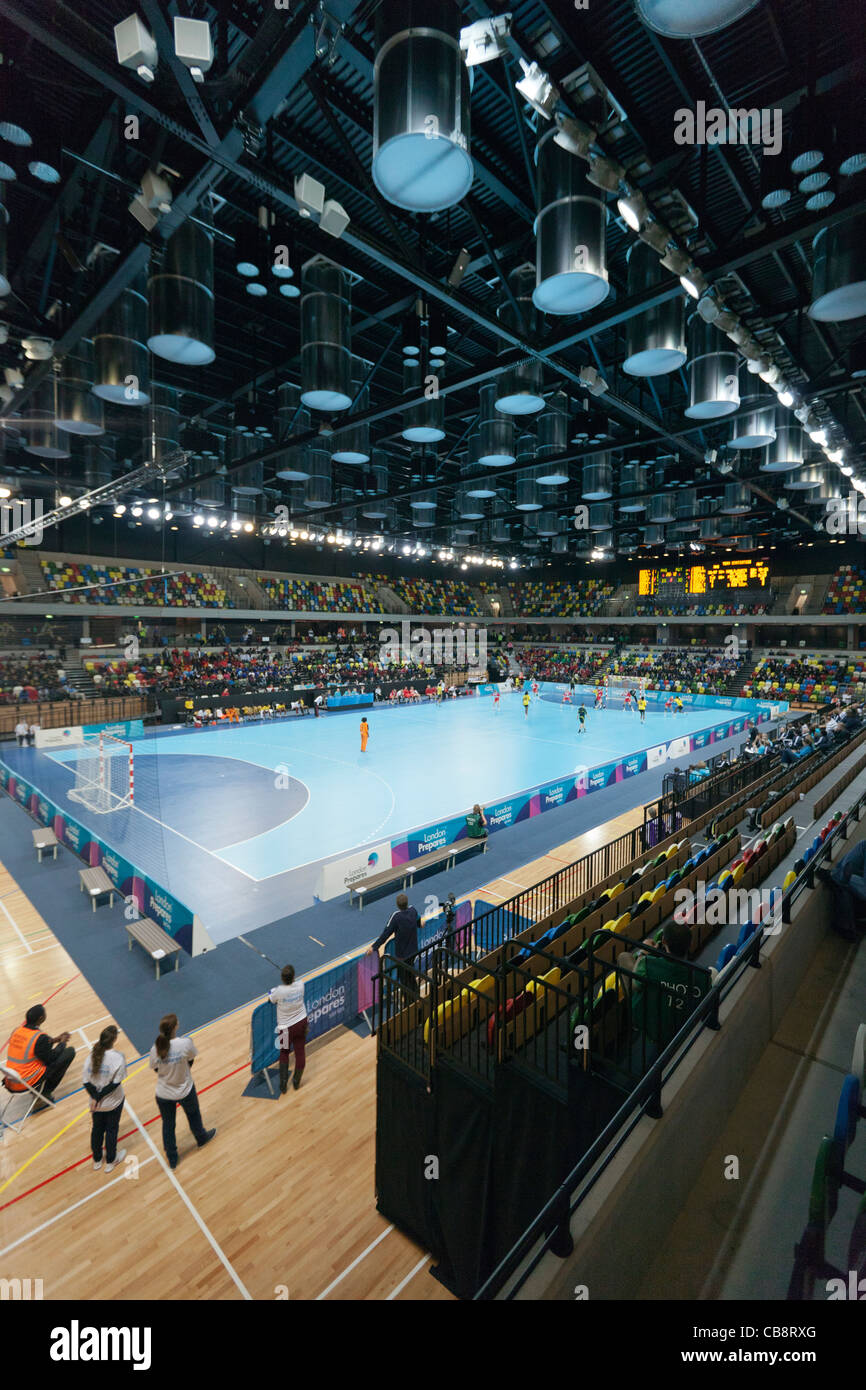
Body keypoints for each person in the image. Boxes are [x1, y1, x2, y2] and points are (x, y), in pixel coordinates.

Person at [148, 1014, 216, 1170]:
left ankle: (172, 1158)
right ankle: (201, 1138)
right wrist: (181, 1070)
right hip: (184, 1089)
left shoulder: (155, 1048)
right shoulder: (185, 1043)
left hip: (164, 1093)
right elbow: (191, 1059)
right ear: (175, 1027)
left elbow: (156, 1068)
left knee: (168, 1125)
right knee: (193, 1116)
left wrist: (168, 1073)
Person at [630, 921, 708, 1047]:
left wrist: (643, 952)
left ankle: (634, 1022)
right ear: (690, 944)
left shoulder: (648, 963)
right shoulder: (703, 976)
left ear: (664, 941)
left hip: (656, 1029)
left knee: (624, 958)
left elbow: (635, 985)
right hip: (688, 1033)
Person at [3, 1004, 75, 1112]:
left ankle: (39, 1090)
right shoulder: (39, 1038)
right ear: (41, 1018)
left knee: (44, 1058)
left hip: (11, 1080)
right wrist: (63, 1042)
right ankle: (45, 1092)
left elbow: (37, 1046)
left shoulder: (17, 1031)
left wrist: (56, 1039)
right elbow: (52, 1058)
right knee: (69, 1052)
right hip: (25, 1082)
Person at [82, 1025, 127, 1174]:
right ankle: (111, 1160)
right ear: (114, 1039)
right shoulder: (118, 1057)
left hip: (96, 1105)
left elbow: (86, 1082)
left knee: (97, 1130)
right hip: (113, 1102)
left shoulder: (91, 1056)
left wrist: (95, 1097)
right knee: (111, 1130)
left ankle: (97, 1159)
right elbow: (115, 1084)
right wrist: (99, 1096)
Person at [368, 893, 421, 1002]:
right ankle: (416, 996)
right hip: (414, 951)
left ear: (398, 905)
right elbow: (419, 922)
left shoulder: (396, 917)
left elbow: (385, 934)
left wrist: (374, 947)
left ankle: (409, 1003)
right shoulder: (413, 910)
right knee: (410, 975)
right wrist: (420, 923)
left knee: (405, 979)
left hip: (402, 956)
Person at [268, 965, 307, 1093]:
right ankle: (296, 1082)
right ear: (294, 976)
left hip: (285, 1027)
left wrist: (272, 992)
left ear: (282, 978)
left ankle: (283, 1084)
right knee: (300, 1052)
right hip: (301, 1023)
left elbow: (271, 999)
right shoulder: (301, 985)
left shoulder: (279, 991)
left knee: (284, 1052)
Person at [817, 840, 866, 941]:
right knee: (843, 884)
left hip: (850, 880)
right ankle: (834, 877)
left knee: (843, 883)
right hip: (847, 878)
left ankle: (834, 877)